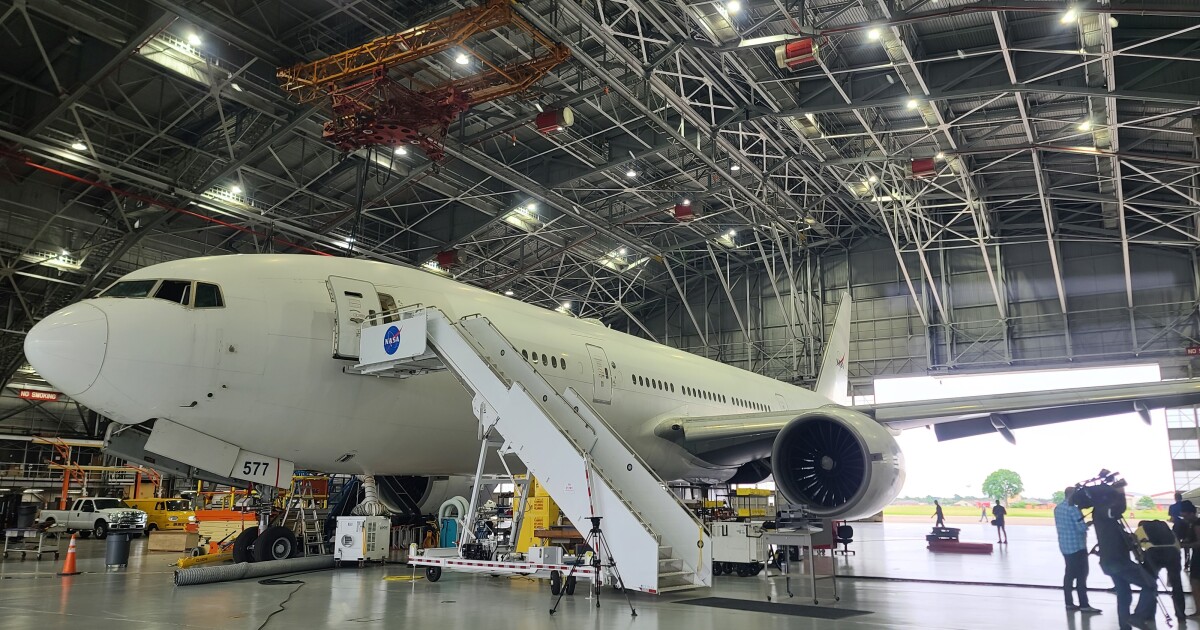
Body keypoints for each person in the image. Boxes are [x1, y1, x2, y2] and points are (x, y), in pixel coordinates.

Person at [1093, 490, 1158, 630]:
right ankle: (1137, 617)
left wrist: (1129, 539)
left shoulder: (1106, 518)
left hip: (1111, 563)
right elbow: (1118, 508)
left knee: (1124, 596)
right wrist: (1120, 491)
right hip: (1118, 562)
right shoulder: (1102, 511)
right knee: (1151, 585)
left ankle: (1125, 627)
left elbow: (1116, 539)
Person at [1055, 487, 1101, 613]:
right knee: (1082, 576)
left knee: (1069, 575)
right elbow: (1081, 529)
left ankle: (1069, 603)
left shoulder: (1058, 508)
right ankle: (1084, 605)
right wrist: (1089, 524)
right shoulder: (1073, 510)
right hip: (1077, 547)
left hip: (1065, 546)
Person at [1139, 517, 1185, 622]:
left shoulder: (1142, 528)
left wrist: (1143, 558)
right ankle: (1181, 614)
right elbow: (1177, 544)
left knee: (1150, 583)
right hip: (1173, 553)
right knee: (1177, 585)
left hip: (1154, 554)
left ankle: (1149, 614)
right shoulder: (1165, 528)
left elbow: (1137, 545)